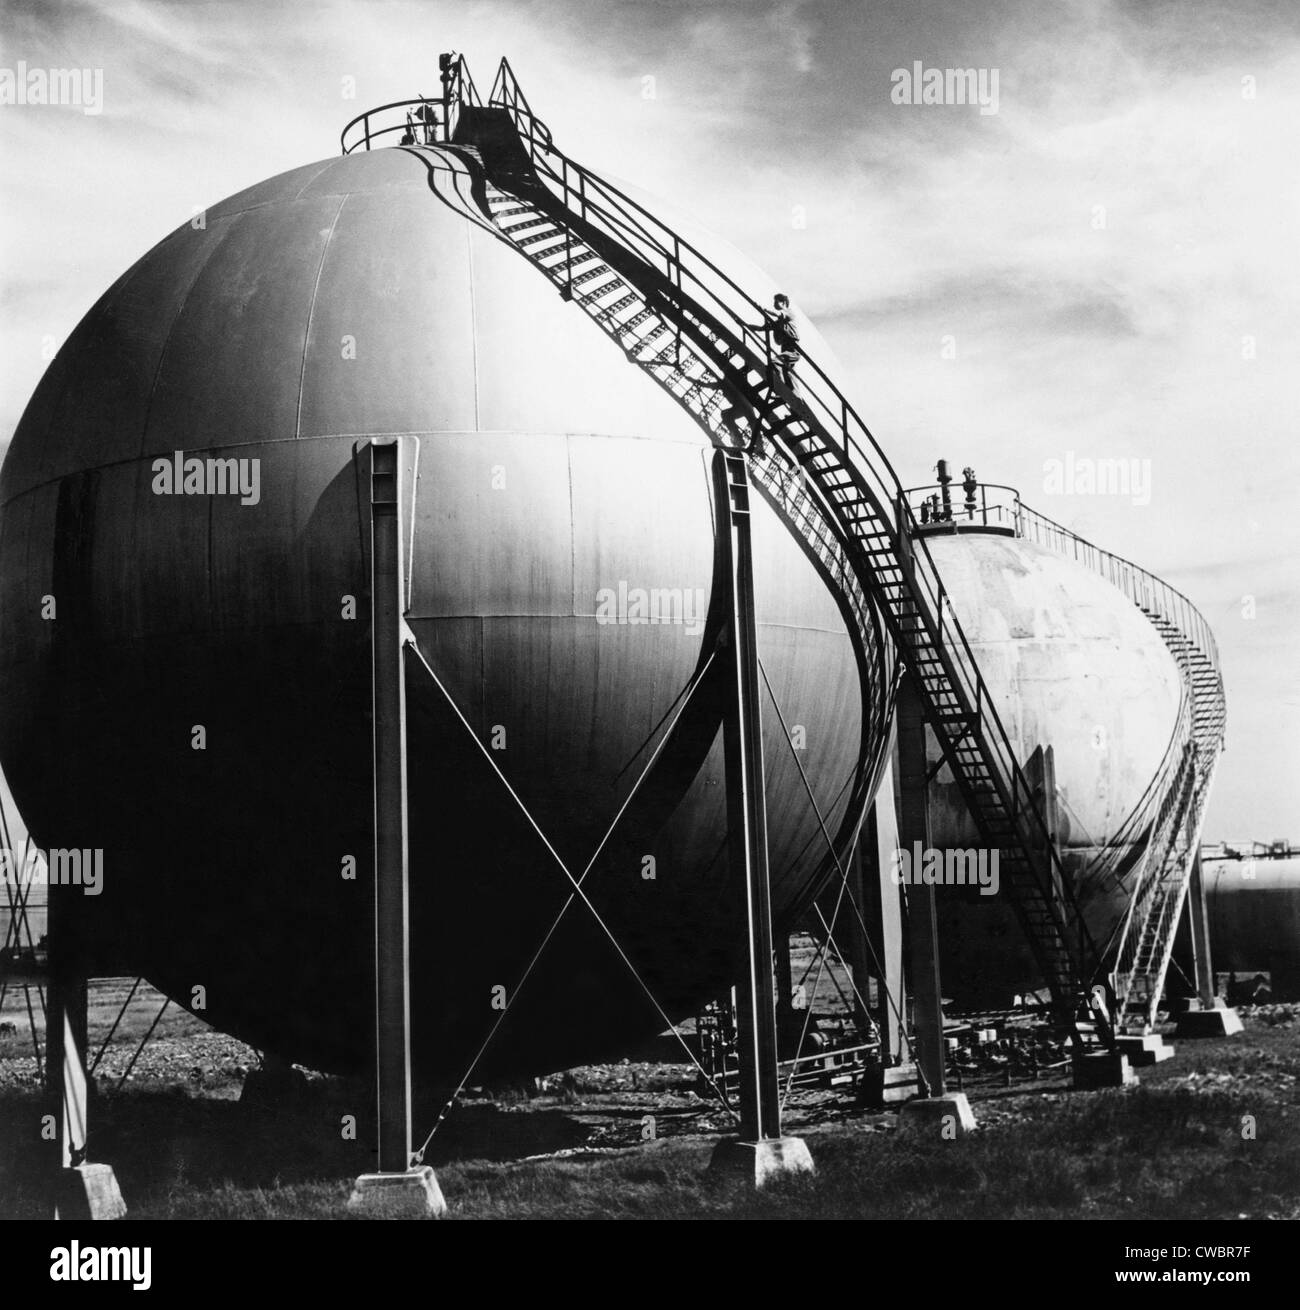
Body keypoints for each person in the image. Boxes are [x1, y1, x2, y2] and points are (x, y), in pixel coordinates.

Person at [759, 292, 801, 391]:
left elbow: (778, 314)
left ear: (784, 303)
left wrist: (765, 310)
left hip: (793, 349)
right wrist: (746, 325)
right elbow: (761, 328)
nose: (774, 304)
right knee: (789, 375)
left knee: (776, 362)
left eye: (776, 302)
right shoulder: (779, 322)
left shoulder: (789, 312)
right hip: (785, 348)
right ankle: (796, 398)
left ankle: (780, 388)